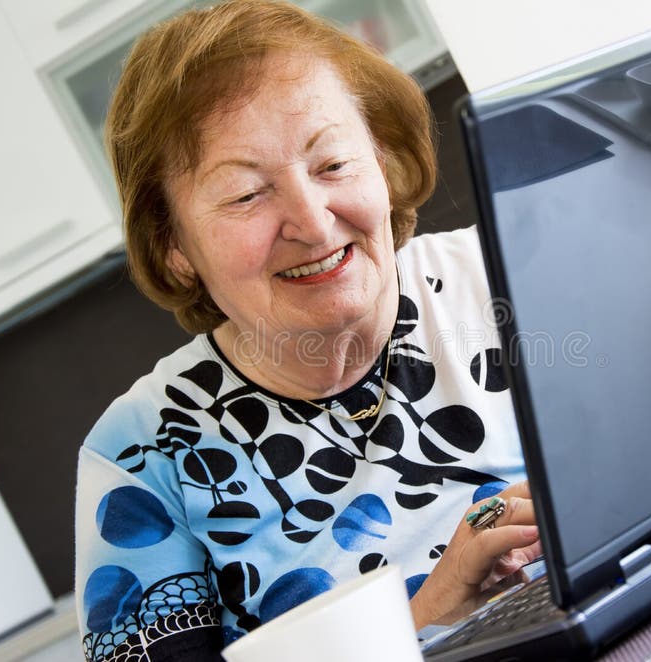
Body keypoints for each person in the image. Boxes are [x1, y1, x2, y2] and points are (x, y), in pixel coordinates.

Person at [74, 1, 537, 660]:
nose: (314, 225)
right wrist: (427, 616)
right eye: (244, 195)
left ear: (383, 161)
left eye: (333, 165)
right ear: (172, 243)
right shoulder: (142, 456)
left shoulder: (509, 275)